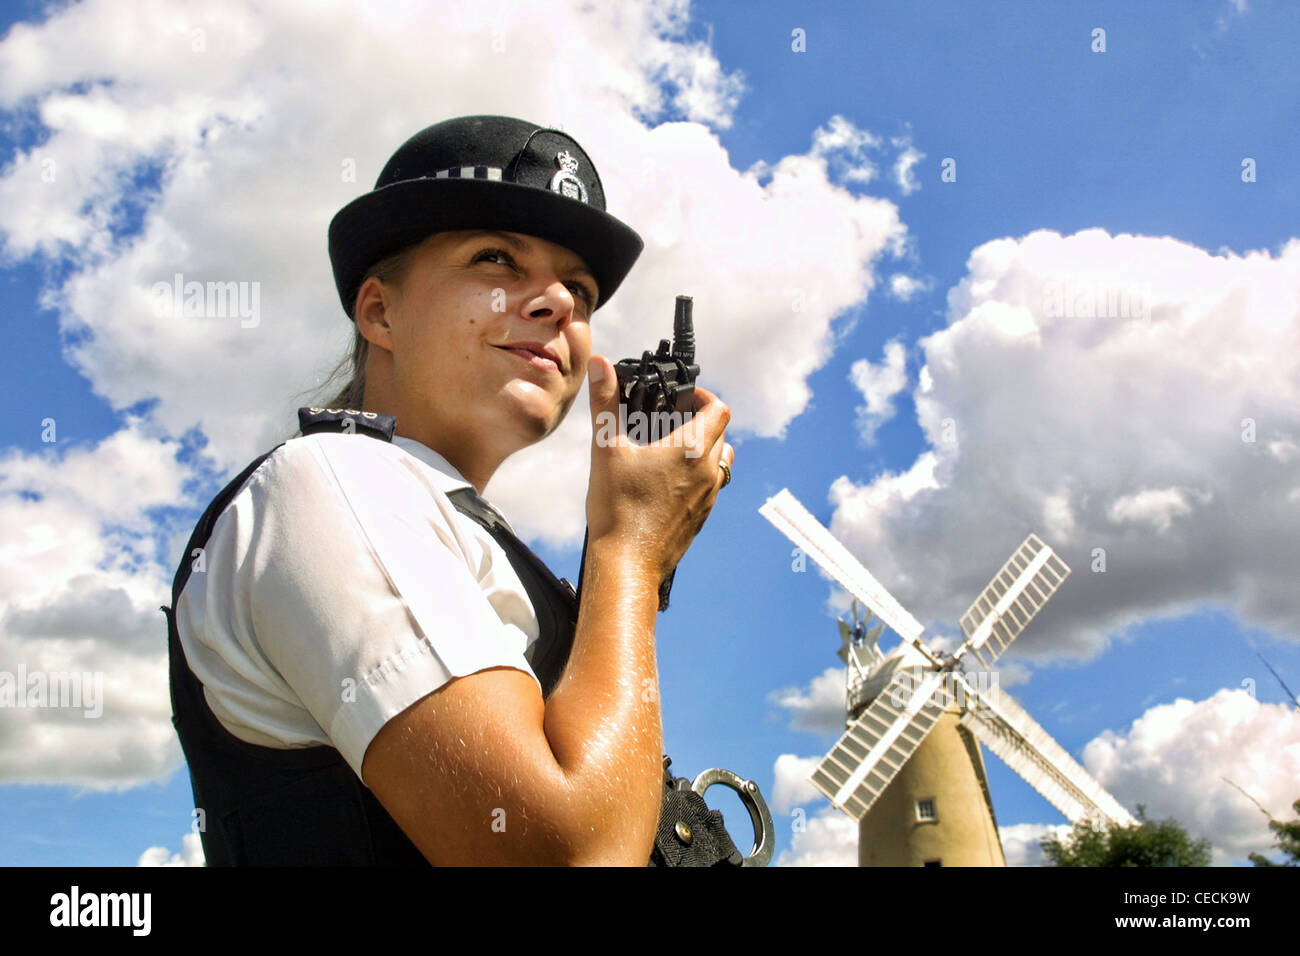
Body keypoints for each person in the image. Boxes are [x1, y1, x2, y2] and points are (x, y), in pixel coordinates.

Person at [165, 115, 735, 866]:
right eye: (497, 259)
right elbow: (565, 854)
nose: (559, 302)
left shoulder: (445, 522)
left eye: (581, 288)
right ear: (379, 311)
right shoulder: (332, 478)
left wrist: (628, 565)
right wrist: (630, 547)